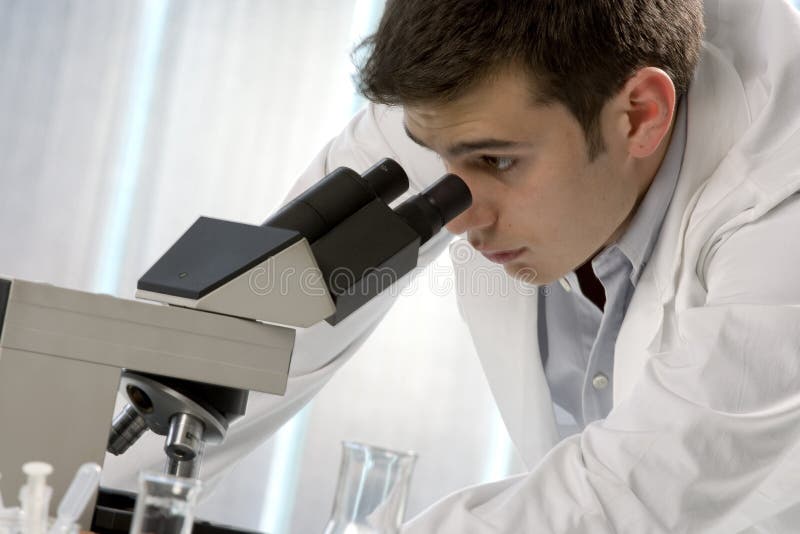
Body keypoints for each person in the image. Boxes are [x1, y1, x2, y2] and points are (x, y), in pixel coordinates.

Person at [105, 0, 800, 531]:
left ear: (640, 115)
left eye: (496, 163)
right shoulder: (474, 98)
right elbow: (264, 322)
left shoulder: (778, 195)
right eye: (437, 160)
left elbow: (636, 495)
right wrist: (89, 501)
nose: (459, 215)